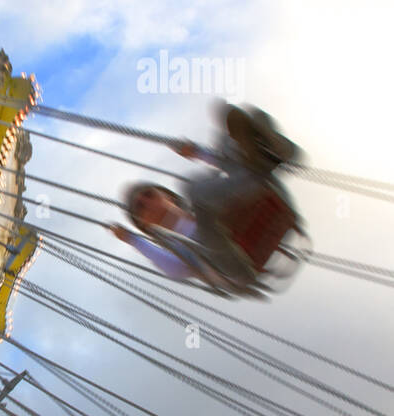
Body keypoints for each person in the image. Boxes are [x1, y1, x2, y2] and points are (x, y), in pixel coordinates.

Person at [111, 104, 303, 292]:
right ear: (144, 225)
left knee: (227, 142)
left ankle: (270, 151)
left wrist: (199, 153)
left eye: (148, 194)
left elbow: (226, 173)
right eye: (140, 207)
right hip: (236, 263)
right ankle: (266, 158)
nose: (147, 203)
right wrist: (134, 240)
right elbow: (175, 269)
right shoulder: (175, 244)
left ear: (165, 194)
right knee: (194, 189)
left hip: (265, 204)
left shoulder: (203, 201)